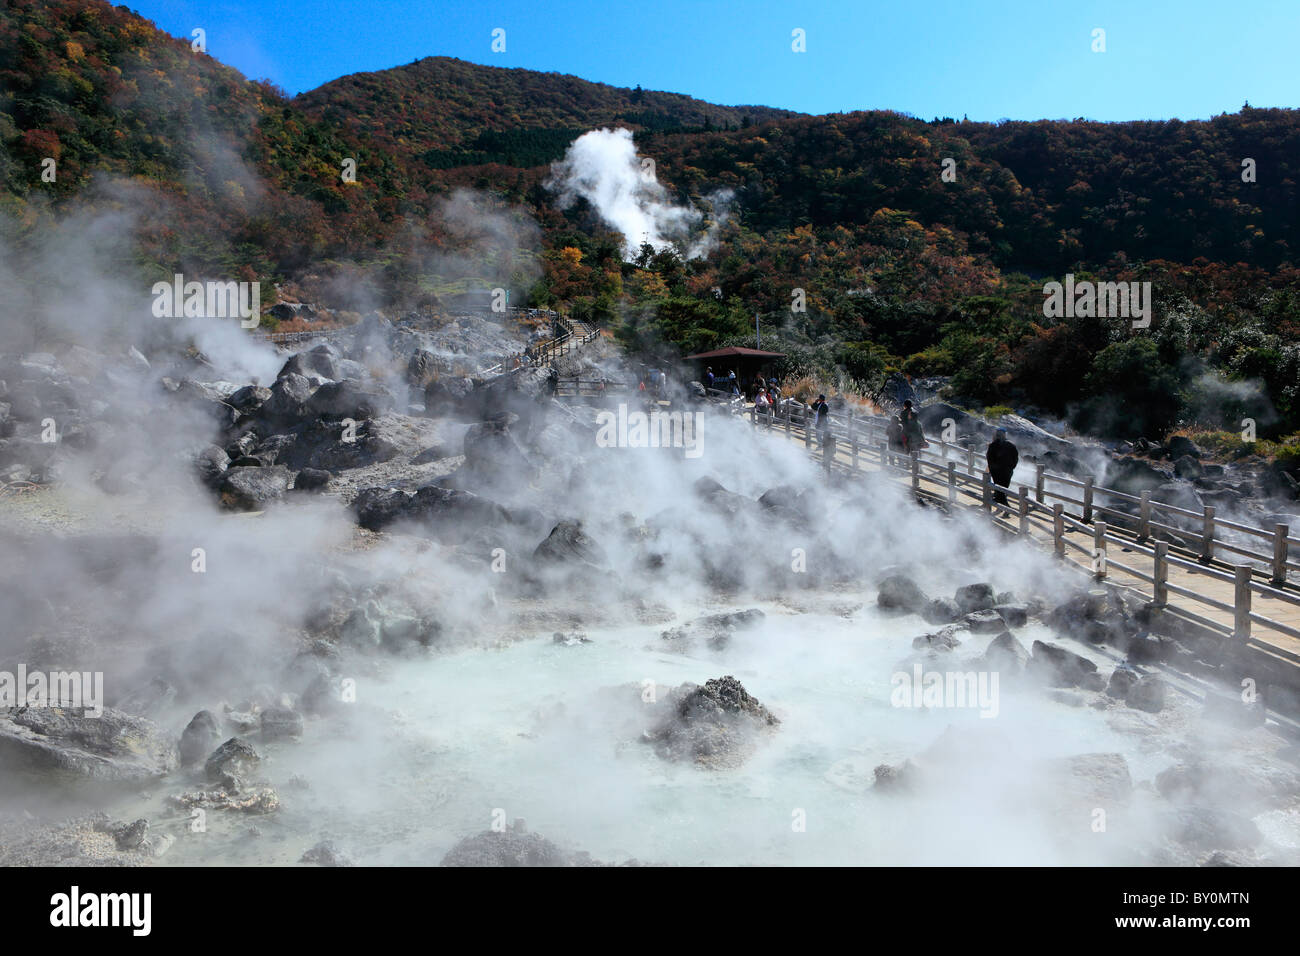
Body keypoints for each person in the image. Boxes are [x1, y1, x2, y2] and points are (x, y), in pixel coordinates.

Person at [986, 427, 1019, 511]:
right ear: (1005, 435)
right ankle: (1004, 507)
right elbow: (1015, 458)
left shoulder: (992, 445)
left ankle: (1005, 508)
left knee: (999, 490)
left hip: (996, 472)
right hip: (1007, 472)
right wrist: (1011, 468)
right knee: (1003, 490)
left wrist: (992, 469)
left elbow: (989, 459)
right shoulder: (1011, 445)